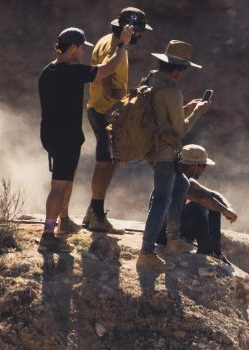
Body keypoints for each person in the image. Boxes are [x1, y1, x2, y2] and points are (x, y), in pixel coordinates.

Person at [130, 39, 210, 269]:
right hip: (165, 151)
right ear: (178, 69)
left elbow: (162, 116)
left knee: (181, 185)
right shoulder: (172, 90)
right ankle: (146, 252)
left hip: (153, 147)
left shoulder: (151, 80)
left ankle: (173, 240)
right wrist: (199, 112)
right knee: (161, 199)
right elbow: (181, 129)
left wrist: (187, 108)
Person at [80, 7, 151, 235]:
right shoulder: (116, 47)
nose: (140, 35)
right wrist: (125, 98)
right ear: (130, 29)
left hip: (98, 108)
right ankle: (98, 216)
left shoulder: (106, 41)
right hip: (105, 111)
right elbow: (106, 80)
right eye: (138, 31)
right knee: (106, 163)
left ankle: (92, 212)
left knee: (108, 160)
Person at [37, 28, 96, 252]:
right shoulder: (71, 72)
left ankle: (64, 219)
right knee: (59, 185)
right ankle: (48, 234)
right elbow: (106, 70)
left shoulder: (47, 71)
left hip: (55, 136)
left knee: (66, 179)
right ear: (73, 48)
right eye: (81, 47)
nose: (83, 51)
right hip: (65, 138)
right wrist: (122, 47)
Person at [175, 145, 235, 261]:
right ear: (195, 165)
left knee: (213, 204)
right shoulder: (178, 181)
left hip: (179, 229)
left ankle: (214, 250)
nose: (204, 169)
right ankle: (206, 250)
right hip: (166, 236)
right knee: (198, 208)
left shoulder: (187, 180)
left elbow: (214, 194)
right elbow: (203, 200)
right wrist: (224, 210)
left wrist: (229, 208)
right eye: (204, 166)